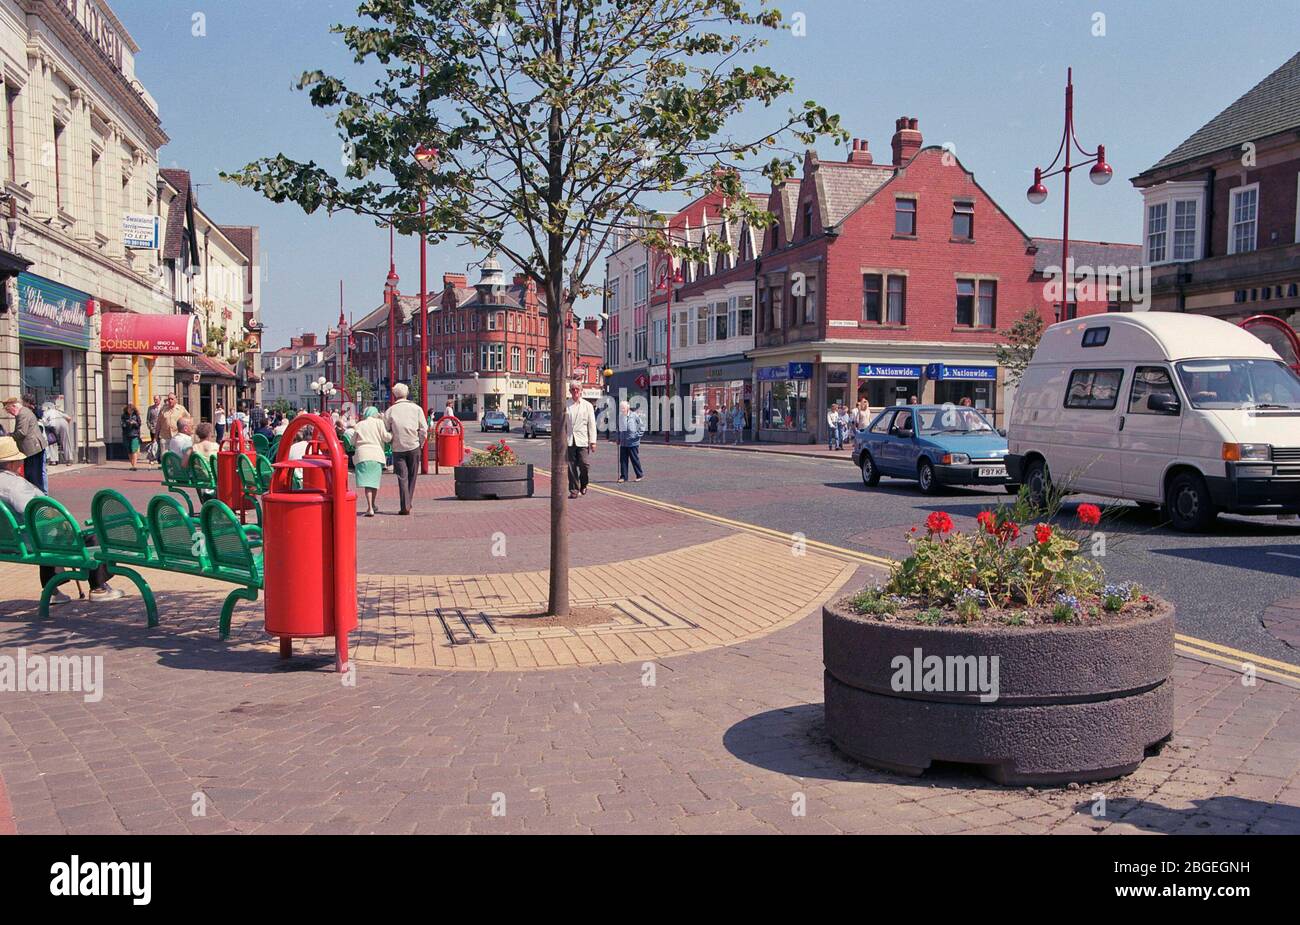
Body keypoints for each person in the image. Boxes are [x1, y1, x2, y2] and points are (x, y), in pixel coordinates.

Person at [0, 436, 122, 603]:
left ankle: (52, 591)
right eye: (19, 460)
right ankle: (98, 587)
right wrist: (61, 522)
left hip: (8, 542)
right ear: (12, 463)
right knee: (93, 536)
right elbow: (34, 511)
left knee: (47, 535)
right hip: (29, 540)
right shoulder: (14, 485)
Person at [383, 382, 428, 516]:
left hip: (398, 447)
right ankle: (408, 502)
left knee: (402, 477)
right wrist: (421, 443)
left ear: (394, 395)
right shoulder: (416, 409)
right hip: (413, 445)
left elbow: (385, 430)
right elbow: (424, 429)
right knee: (412, 476)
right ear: (407, 393)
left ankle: (405, 504)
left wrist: (391, 439)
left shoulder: (390, 410)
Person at [352, 406, 391, 517]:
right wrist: (392, 435)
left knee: (367, 484)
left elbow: (352, 442)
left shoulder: (359, 424)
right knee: (373, 482)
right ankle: (372, 505)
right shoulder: (379, 423)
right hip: (376, 455)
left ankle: (370, 506)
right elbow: (386, 437)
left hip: (362, 455)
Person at [3, 395, 48, 491]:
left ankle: (37, 496)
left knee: (33, 476)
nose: (9, 413)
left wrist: (9, 437)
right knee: (36, 475)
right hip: (34, 448)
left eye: (8, 410)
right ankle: (39, 494)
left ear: (14, 406)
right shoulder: (25, 412)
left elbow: (22, 432)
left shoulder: (22, 414)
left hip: (32, 449)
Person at [564, 380, 598, 498]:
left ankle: (584, 483)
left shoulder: (587, 406)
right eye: (573, 389)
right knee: (571, 466)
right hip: (569, 440)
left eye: (577, 389)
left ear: (581, 391)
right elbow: (563, 424)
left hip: (582, 440)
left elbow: (592, 425)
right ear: (570, 391)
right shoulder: (566, 405)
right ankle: (573, 490)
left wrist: (592, 442)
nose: (575, 391)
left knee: (584, 464)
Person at [616, 400, 645, 483]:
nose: (622, 409)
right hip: (623, 442)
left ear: (628, 407)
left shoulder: (634, 415)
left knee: (634, 459)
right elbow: (618, 429)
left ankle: (639, 475)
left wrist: (636, 435)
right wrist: (618, 438)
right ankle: (624, 477)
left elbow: (642, 426)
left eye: (623, 408)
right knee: (623, 460)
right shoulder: (620, 417)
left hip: (633, 442)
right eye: (621, 408)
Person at [121, 404, 142, 470]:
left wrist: (134, 423)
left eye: (132, 410)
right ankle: (132, 464)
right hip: (126, 434)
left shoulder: (136, 416)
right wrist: (127, 423)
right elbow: (122, 425)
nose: (130, 411)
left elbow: (139, 424)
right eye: (129, 409)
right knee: (129, 450)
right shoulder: (124, 416)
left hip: (134, 435)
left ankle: (134, 466)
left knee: (134, 449)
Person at [145, 395, 163, 464]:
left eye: (157, 399)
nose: (155, 401)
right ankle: (152, 458)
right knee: (154, 443)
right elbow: (148, 420)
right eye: (154, 399)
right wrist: (150, 427)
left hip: (161, 430)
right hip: (153, 430)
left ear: (160, 400)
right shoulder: (150, 408)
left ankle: (160, 459)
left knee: (161, 444)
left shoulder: (163, 408)